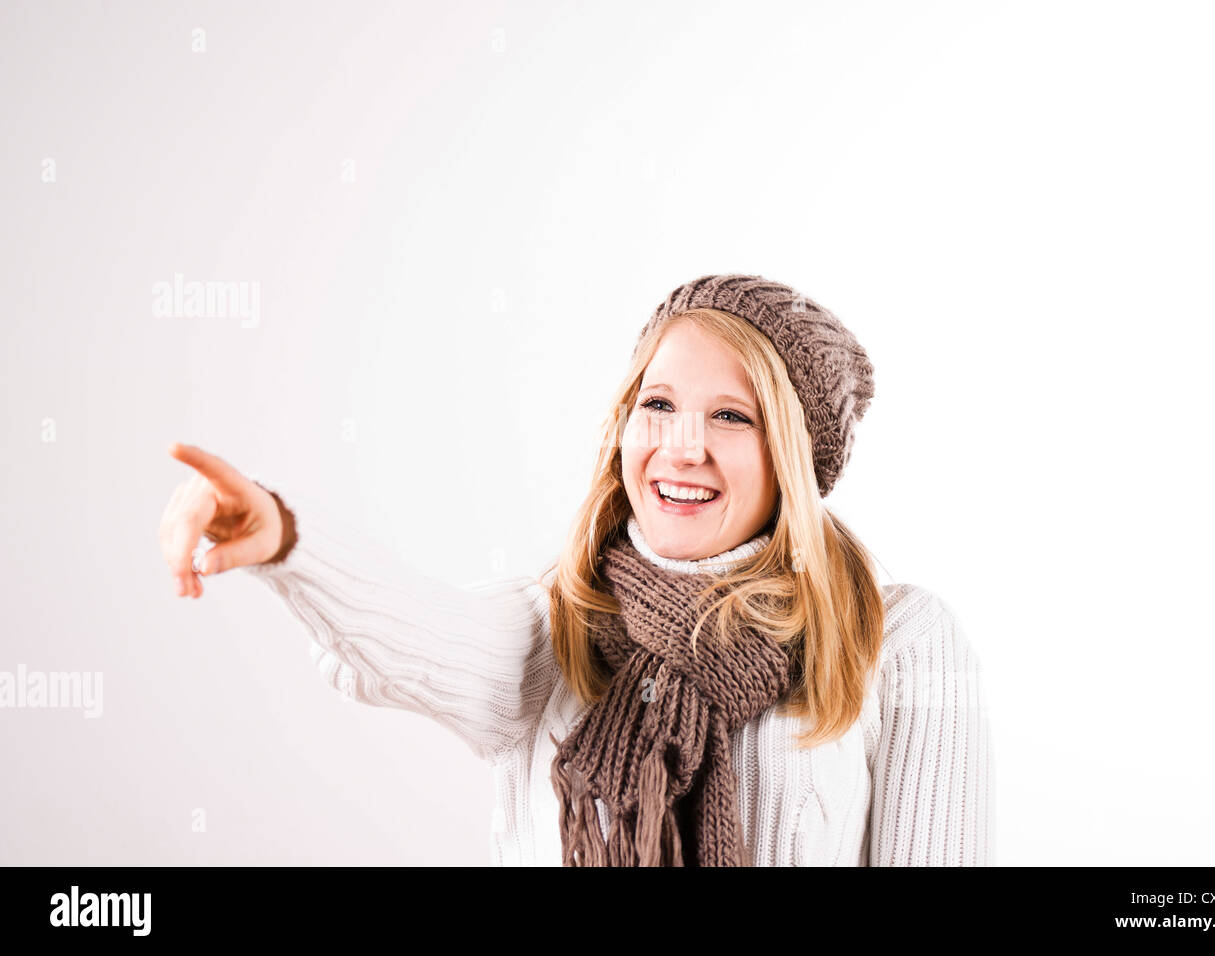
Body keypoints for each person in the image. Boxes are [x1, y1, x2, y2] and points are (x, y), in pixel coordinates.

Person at [157, 273, 994, 866]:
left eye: (731, 416)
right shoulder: (552, 623)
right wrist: (284, 538)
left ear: (797, 461)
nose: (681, 447)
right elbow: (396, 642)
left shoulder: (899, 637)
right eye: (656, 404)